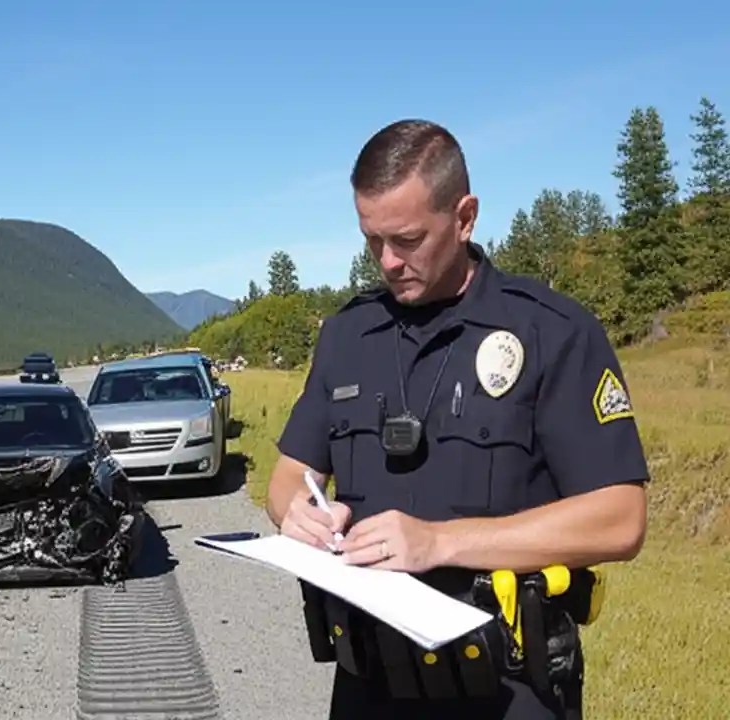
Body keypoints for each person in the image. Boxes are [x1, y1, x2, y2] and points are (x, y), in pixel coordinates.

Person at [266, 119, 650, 719]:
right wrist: (302, 513)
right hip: (368, 688)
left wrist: (440, 542)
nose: (388, 262)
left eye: (409, 239)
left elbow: (620, 519)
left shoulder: (552, 332)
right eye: (372, 241)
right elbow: (289, 475)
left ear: (465, 216)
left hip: (506, 690)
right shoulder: (347, 336)